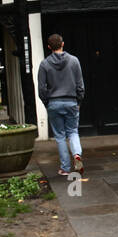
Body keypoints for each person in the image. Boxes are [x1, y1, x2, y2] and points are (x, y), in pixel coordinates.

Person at [37, 34, 85, 176]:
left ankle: (65, 168)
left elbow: (41, 88)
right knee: (73, 132)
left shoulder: (44, 64)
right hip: (71, 101)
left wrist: (47, 102)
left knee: (60, 136)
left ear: (49, 47)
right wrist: (79, 101)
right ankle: (77, 154)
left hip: (54, 102)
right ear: (62, 44)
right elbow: (80, 85)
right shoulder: (74, 61)